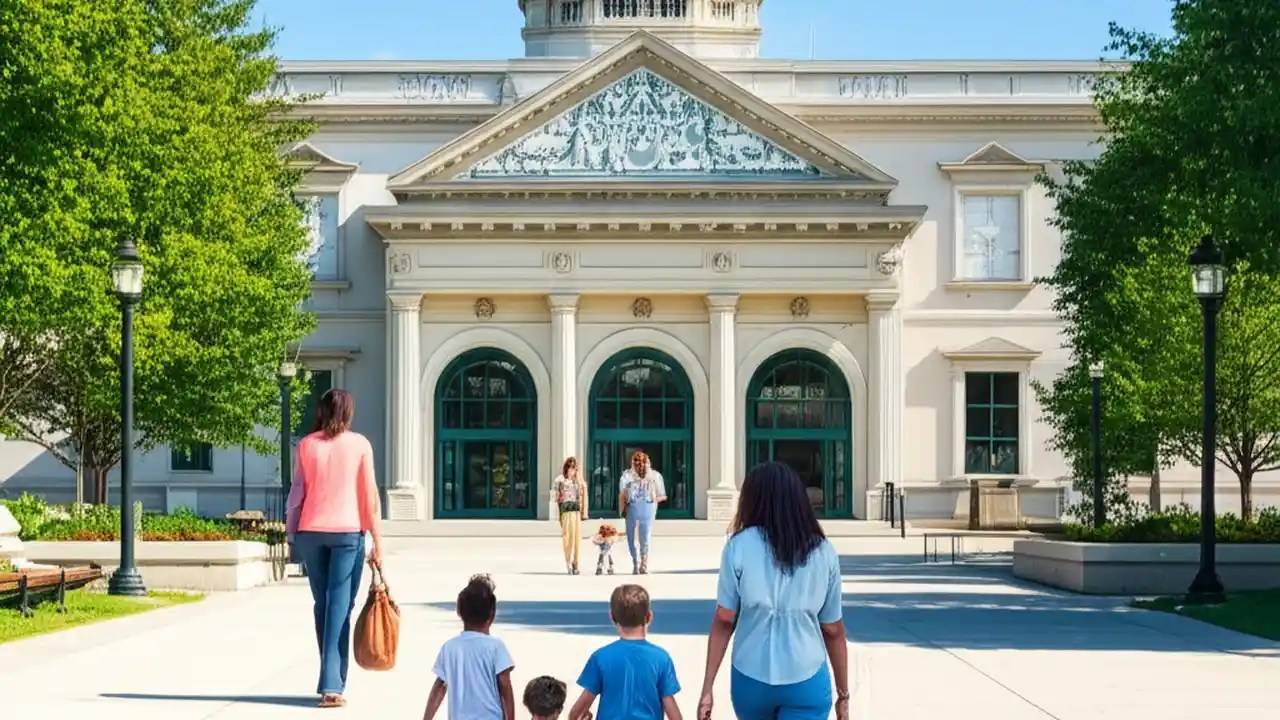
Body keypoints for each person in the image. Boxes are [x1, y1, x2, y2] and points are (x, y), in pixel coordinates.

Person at [695, 461, 849, 720]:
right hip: (806, 675)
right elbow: (832, 629)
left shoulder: (738, 546)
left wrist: (707, 689)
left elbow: (724, 618)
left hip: (750, 676)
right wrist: (843, 695)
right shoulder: (824, 551)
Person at [285, 388, 384, 709]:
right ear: (349, 413)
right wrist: (378, 543)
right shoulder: (360, 445)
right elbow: (369, 496)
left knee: (323, 605)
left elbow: (296, 492)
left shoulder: (306, 445)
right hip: (346, 533)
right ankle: (332, 685)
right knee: (338, 607)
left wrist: (290, 533)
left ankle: (331, 676)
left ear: (323, 410)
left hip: (311, 532)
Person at [569, 584, 682, 720]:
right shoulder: (661, 658)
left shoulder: (600, 657)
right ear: (649, 616)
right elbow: (673, 712)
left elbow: (577, 712)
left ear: (612, 617)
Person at [423, 574, 516, 720]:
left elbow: (439, 689)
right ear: (492, 615)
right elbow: (505, 686)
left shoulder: (449, 648)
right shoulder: (496, 647)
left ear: (460, 613)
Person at [618, 451, 666, 574]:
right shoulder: (627, 476)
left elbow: (662, 496)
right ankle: (639, 562)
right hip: (635, 507)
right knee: (638, 536)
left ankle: (640, 563)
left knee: (640, 536)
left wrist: (654, 499)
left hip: (645, 507)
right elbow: (623, 494)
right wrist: (622, 509)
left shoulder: (654, 476)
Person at [553, 457, 588, 574]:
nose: (571, 470)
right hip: (566, 511)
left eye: (573, 467)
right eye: (569, 466)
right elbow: (556, 499)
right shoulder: (560, 480)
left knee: (577, 538)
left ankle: (576, 562)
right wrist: (558, 514)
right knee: (567, 537)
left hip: (576, 511)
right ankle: (568, 561)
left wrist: (584, 512)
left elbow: (584, 494)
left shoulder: (578, 481)